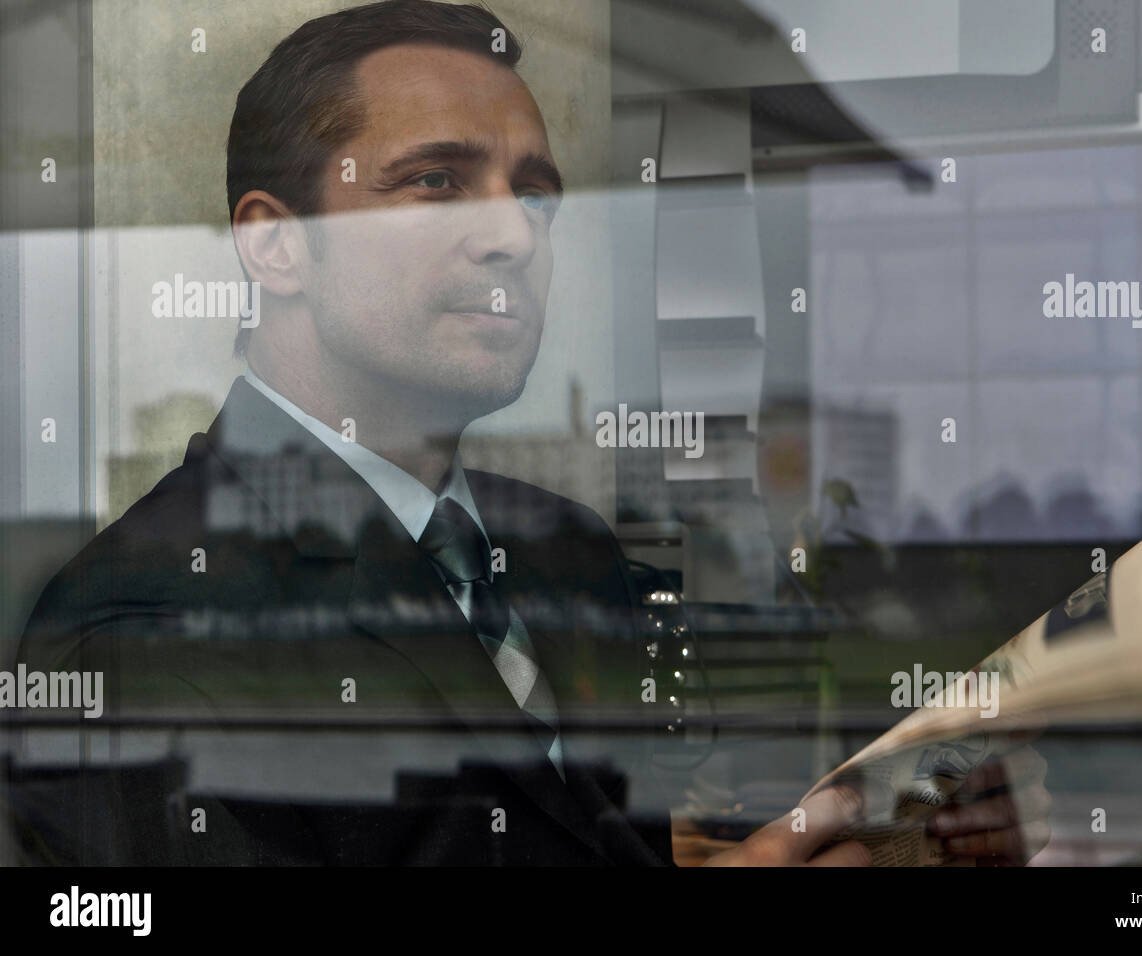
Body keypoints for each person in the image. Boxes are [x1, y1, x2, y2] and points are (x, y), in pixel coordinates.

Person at [14, 0, 1048, 866]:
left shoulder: (563, 546)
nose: (514, 233)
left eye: (536, 196)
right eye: (434, 181)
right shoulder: (133, 633)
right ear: (276, 242)